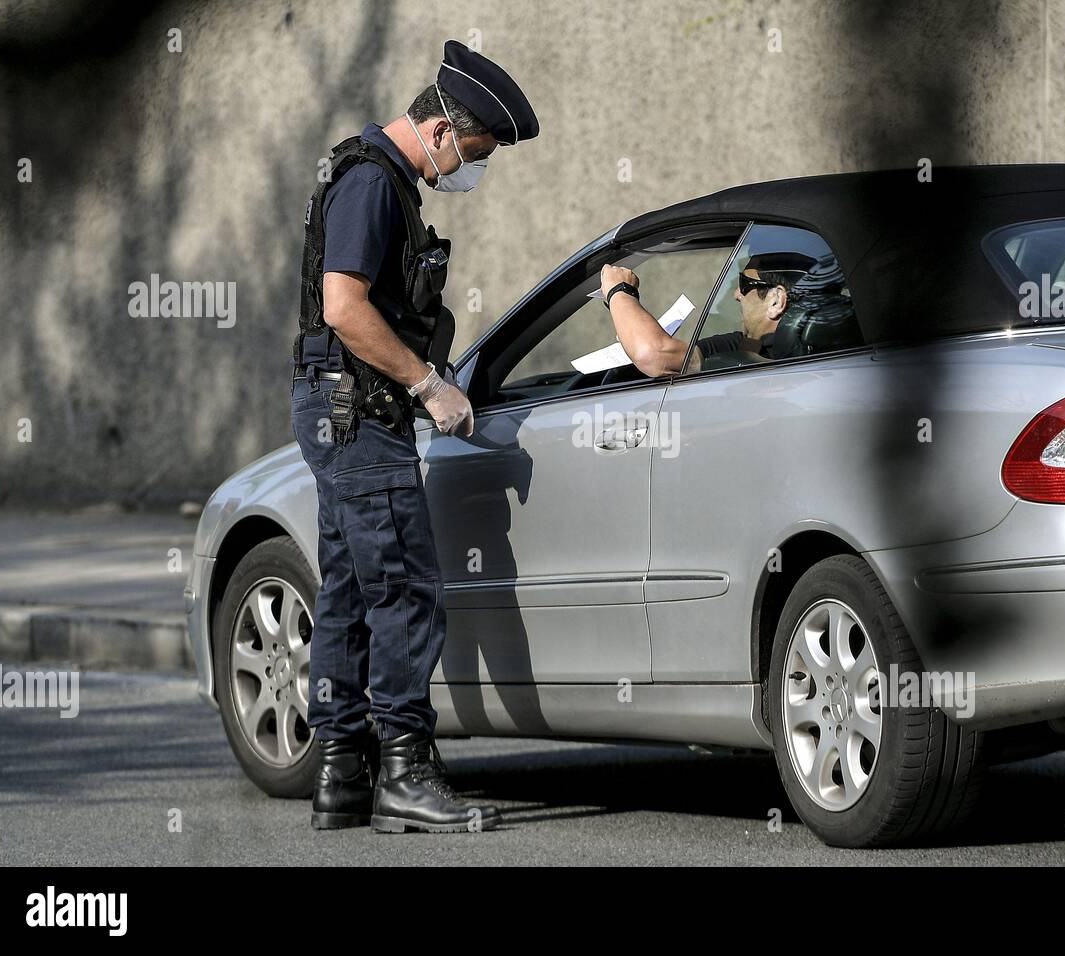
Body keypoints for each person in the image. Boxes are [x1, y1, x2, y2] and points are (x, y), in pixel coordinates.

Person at [290, 40, 538, 833]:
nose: (474, 170)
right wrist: (427, 385)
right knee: (402, 590)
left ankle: (341, 773)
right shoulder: (371, 183)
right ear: (440, 129)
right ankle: (404, 771)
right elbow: (344, 307)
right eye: (475, 151)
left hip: (337, 409)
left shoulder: (369, 175)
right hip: (361, 413)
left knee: (349, 592)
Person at [598, 252, 819, 376]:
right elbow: (670, 355)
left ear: (776, 301)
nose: (736, 294)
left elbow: (655, 356)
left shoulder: (788, 359)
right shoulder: (742, 345)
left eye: (744, 284)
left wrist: (620, 291)